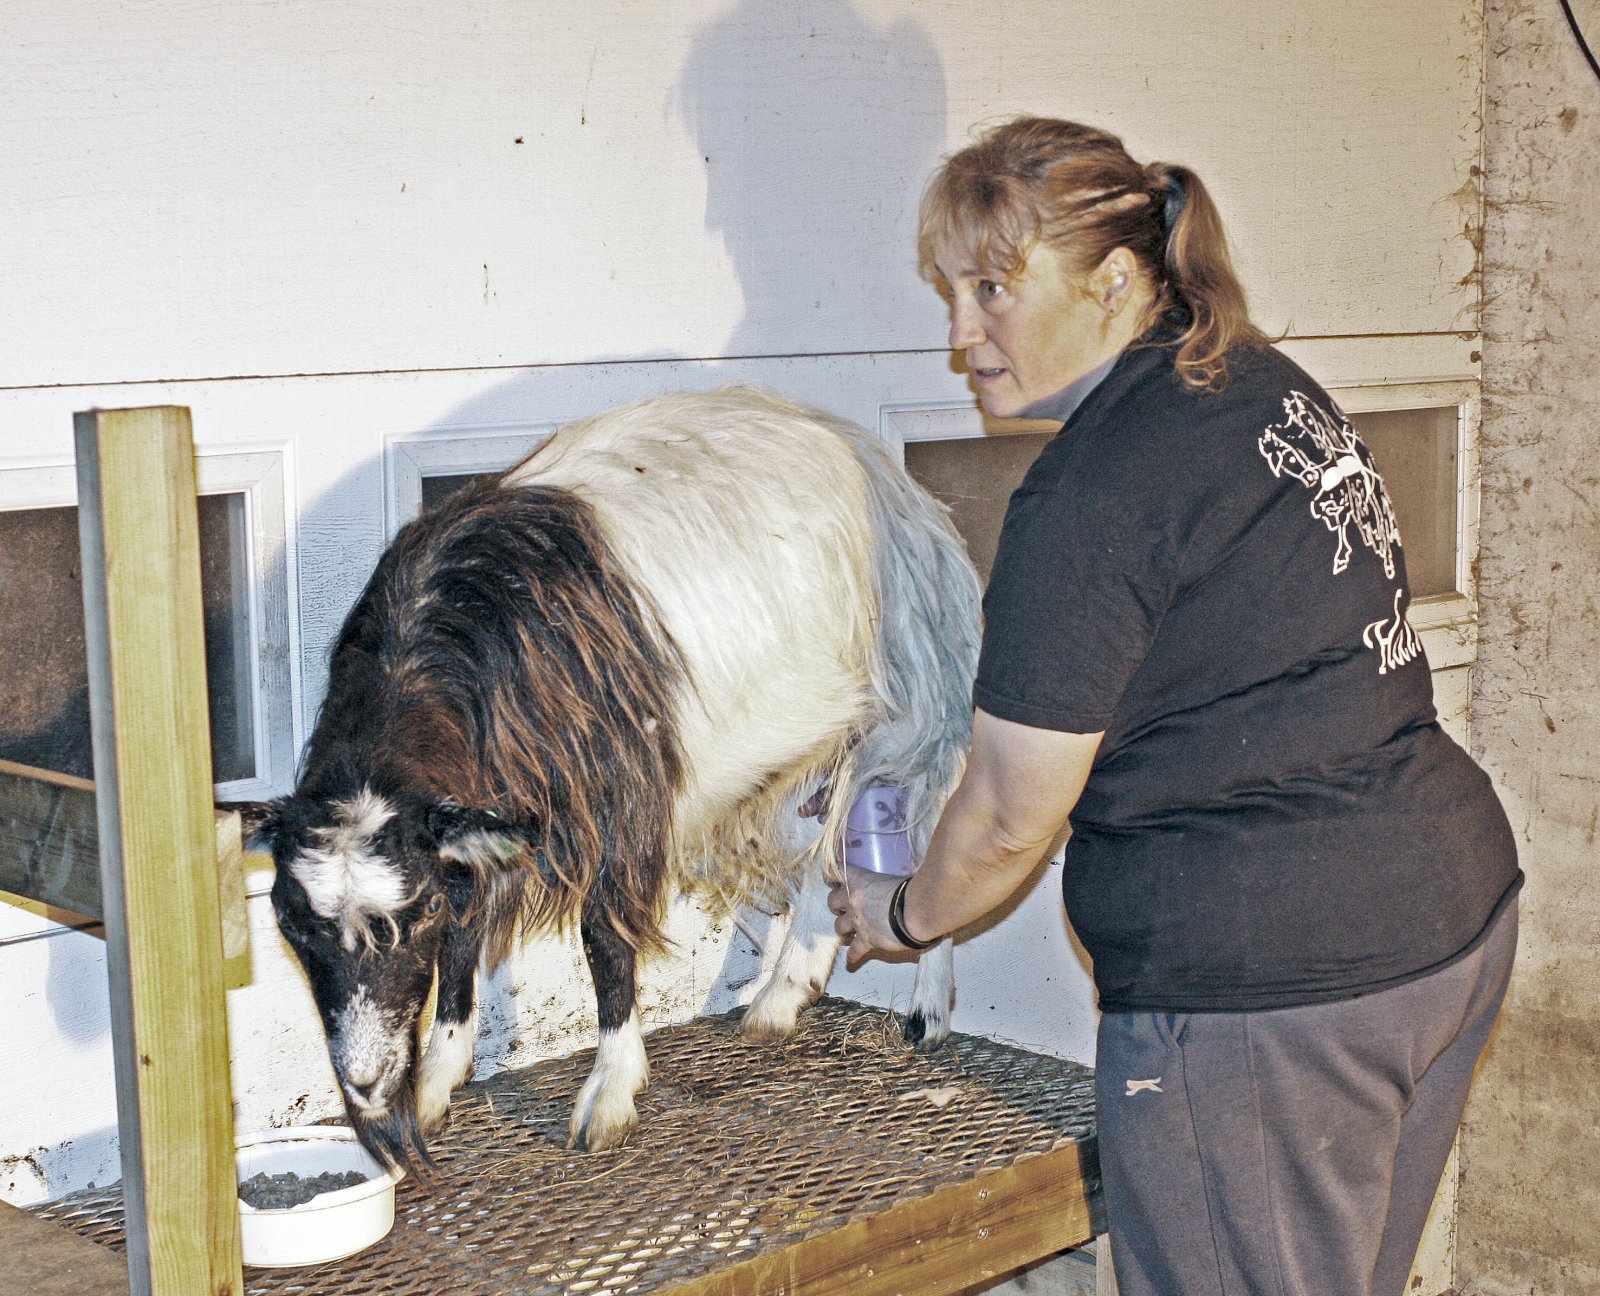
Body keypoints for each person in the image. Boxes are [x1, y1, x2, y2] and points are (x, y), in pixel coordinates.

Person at [827, 116, 1521, 1296]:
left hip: (1272, 997)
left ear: (1112, 284)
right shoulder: (1250, 381)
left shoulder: (1094, 490)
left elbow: (1005, 817)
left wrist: (901, 915)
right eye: (951, 293)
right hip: (1445, 922)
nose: (960, 335)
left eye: (994, 289)